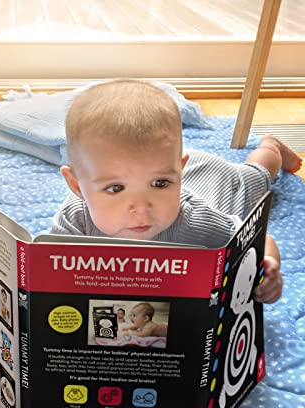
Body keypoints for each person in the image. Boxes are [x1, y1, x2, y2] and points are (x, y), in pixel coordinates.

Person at [51, 79, 302, 304]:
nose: (141, 207)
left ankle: (272, 146)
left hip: (218, 180)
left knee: (257, 174)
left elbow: (260, 240)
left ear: (178, 172)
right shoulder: (76, 219)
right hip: (176, 166)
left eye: (160, 183)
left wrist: (268, 266)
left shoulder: (195, 221)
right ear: (77, 187)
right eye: (115, 188)